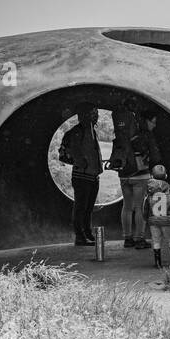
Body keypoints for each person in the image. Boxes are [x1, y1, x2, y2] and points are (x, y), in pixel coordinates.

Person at [112, 106, 161, 250]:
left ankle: (127, 238)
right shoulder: (145, 135)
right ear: (146, 121)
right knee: (140, 207)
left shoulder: (123, 134)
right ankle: (139, 239)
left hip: (124, 175)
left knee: (127, 207)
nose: (154, 125)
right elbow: (156, 156)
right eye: (153, 122)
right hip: (141, 175)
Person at [59, 105, 101, 246]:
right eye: (93, 113)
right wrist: (83, 164)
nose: (96, 116)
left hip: (92, 176)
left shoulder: (90, 130)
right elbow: (76, 151)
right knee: (81, 207)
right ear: (86, 115)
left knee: (88, 208)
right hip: (83, 176)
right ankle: (80, 236)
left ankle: (87, 232)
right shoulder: (79, 131)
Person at [143, 164, 170, 268]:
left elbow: (144, 205)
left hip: (153, 220)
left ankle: (158, 264)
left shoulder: (149, 191)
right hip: (168, 220)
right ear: (166, 176)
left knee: (156, 240)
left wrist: (145, 218)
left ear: (151, 176)